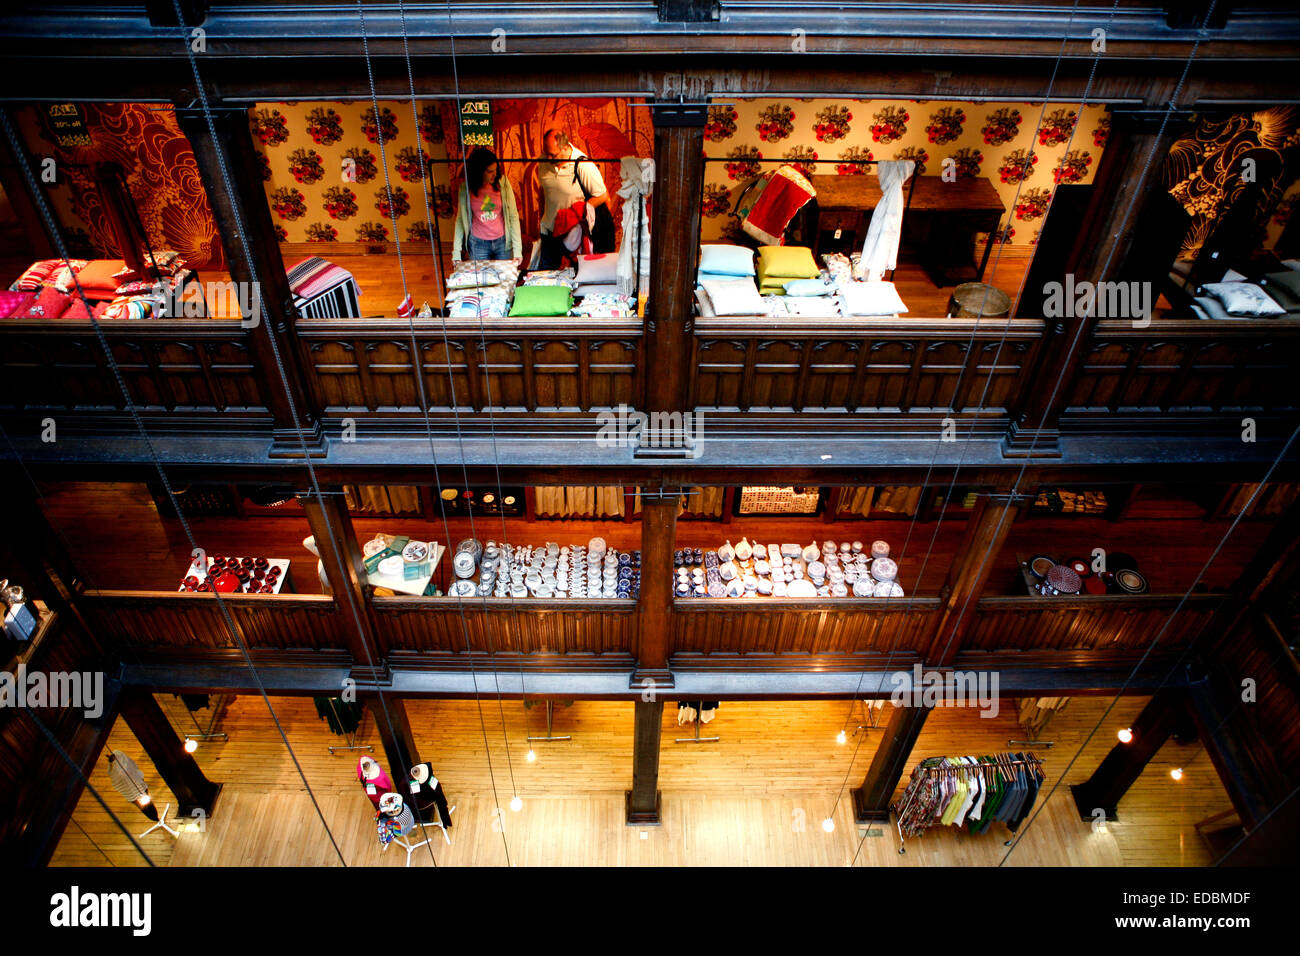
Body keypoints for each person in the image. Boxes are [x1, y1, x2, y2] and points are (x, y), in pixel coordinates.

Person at [537, 129, 613, 268]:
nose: (549, 159)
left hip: (572, 232)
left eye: (553, 155)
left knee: (581, 275)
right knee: (545, 276)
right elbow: (545, 192)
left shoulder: (583, 165)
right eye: (546, 154)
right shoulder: (543, 161)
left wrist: (578, 211)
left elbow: (603, 195)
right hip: (549, 230)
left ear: (565, 147)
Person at [452, 146, 522, 262]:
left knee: (505, 279)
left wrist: (518, 249)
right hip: (478, 244)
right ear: (478, 171)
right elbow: (460, 221)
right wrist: (456, 252)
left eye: (495, 170)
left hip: (503, 243)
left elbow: (513, 217)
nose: (494, 174)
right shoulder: (465, 188)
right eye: (490, 172)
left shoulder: (503, 184)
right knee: (481, 280)